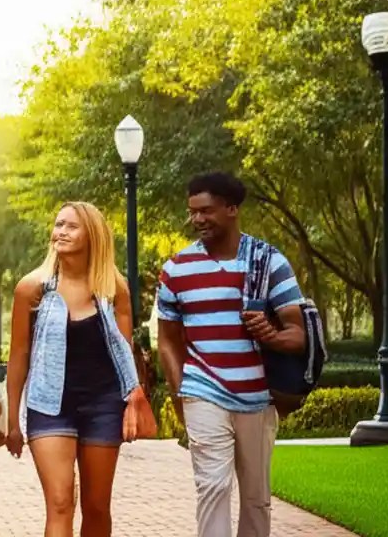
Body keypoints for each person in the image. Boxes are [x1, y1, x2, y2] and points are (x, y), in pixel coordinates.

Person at [156, 172, 307, 537]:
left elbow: (298, 334)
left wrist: (270, 334)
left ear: (232, 209)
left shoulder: (267, 262)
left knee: (256, 498)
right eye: (192, 212)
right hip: (203, 391)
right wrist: (180, 391)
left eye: (206, 211)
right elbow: (168, 339)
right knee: (212, 487)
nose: (197, 220)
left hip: (258, 397)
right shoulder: (177, 269)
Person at [3, 202, 150, 537]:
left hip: (103, 405)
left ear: (92, 235)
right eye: (58, 225)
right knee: (59, 502)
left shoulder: (114, 289)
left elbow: (124, 353)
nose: (61, 232)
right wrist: (12, 420)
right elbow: (18, 356)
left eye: (71, 226)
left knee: (97, 508)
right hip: (49, 406)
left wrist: (131, 402)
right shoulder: (33, 288)